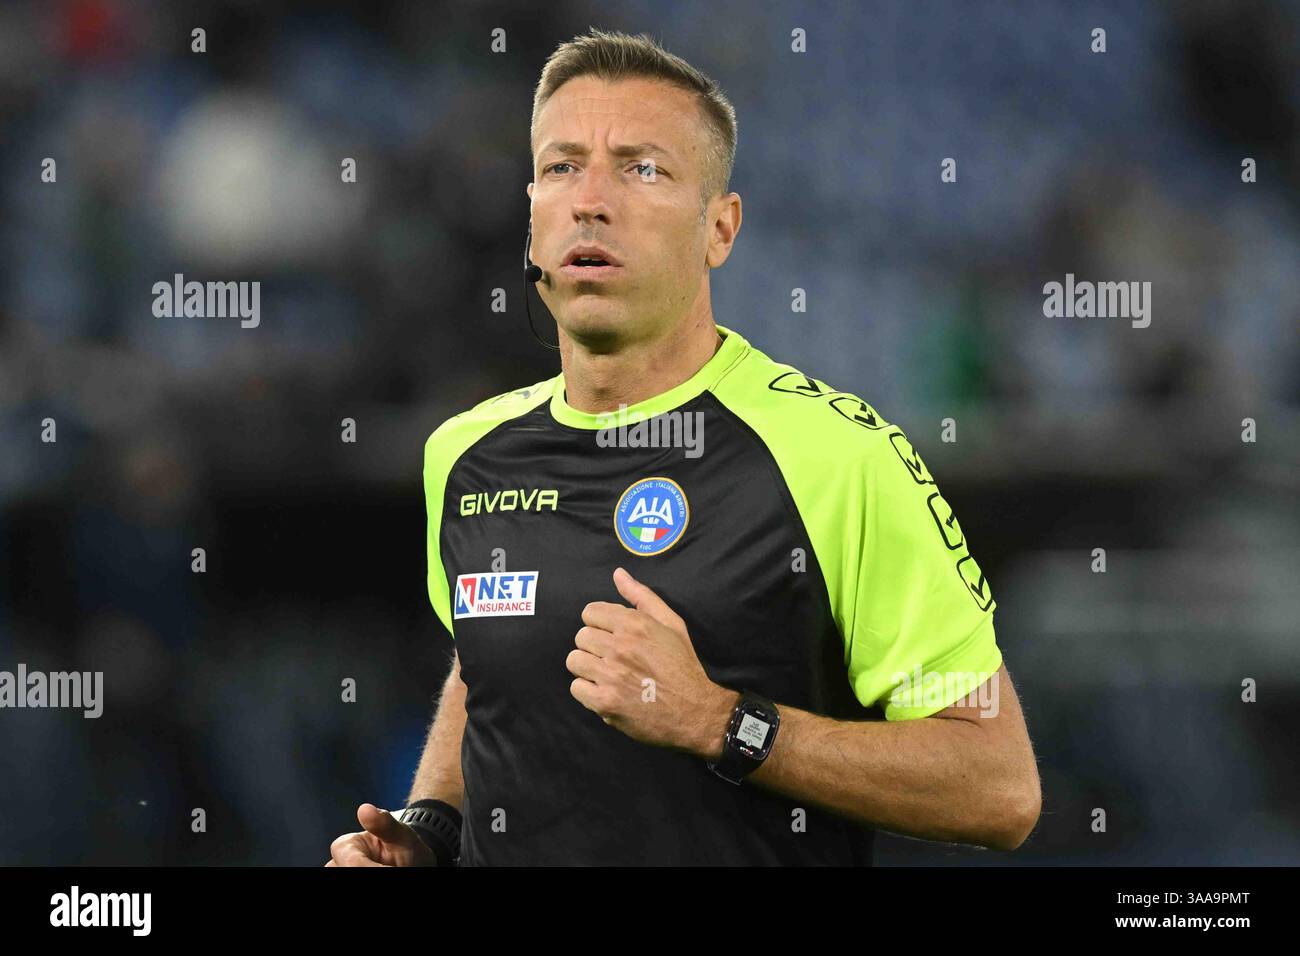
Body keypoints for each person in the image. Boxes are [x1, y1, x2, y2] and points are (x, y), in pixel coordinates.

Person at [327, 28, 1040, 867]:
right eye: (561, 167)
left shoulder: (834, 455)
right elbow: (484, 667)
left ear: (720, 229)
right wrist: (433, 828)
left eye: (642, 169)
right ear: (531, 221)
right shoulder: (466, 453)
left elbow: (998, 786)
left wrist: (719, 723)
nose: (591, 199)